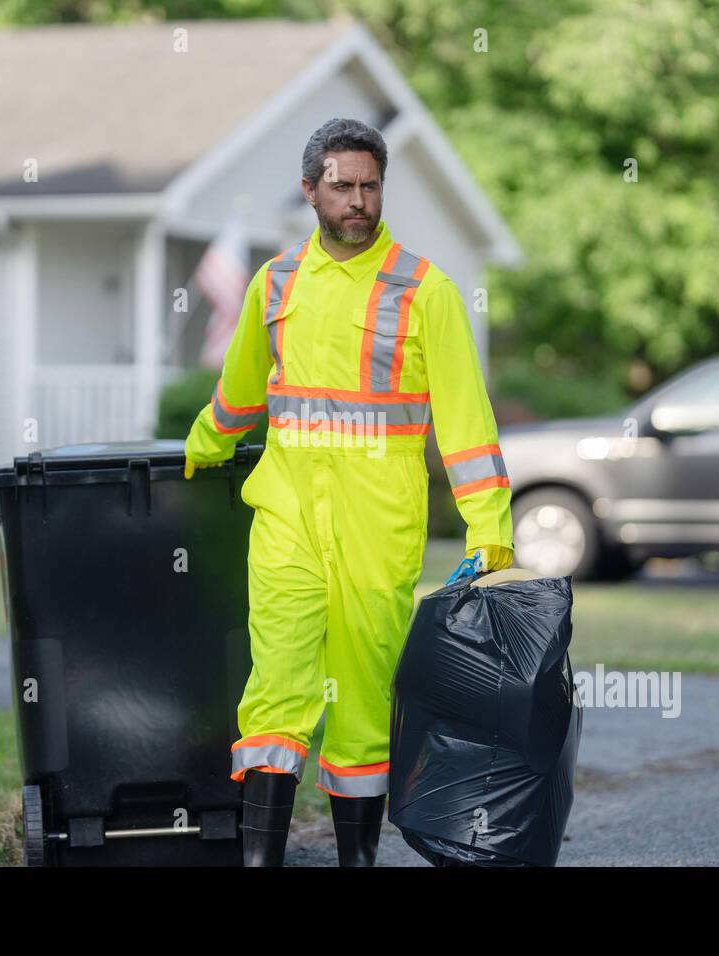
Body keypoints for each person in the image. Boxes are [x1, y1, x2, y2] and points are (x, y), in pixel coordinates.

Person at [184, 117, 513, 866]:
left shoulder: (426, 290)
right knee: (277, 686)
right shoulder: (275, 284)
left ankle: (356, 860)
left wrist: (489, 526)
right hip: (288, 516)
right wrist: (201, 449)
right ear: (310, 192)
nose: (358, 201)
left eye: (369, 186)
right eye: (342, 187)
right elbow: (238, 398)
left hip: (379, 528)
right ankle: (262, 858)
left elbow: (465, 423)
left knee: (363, 701)